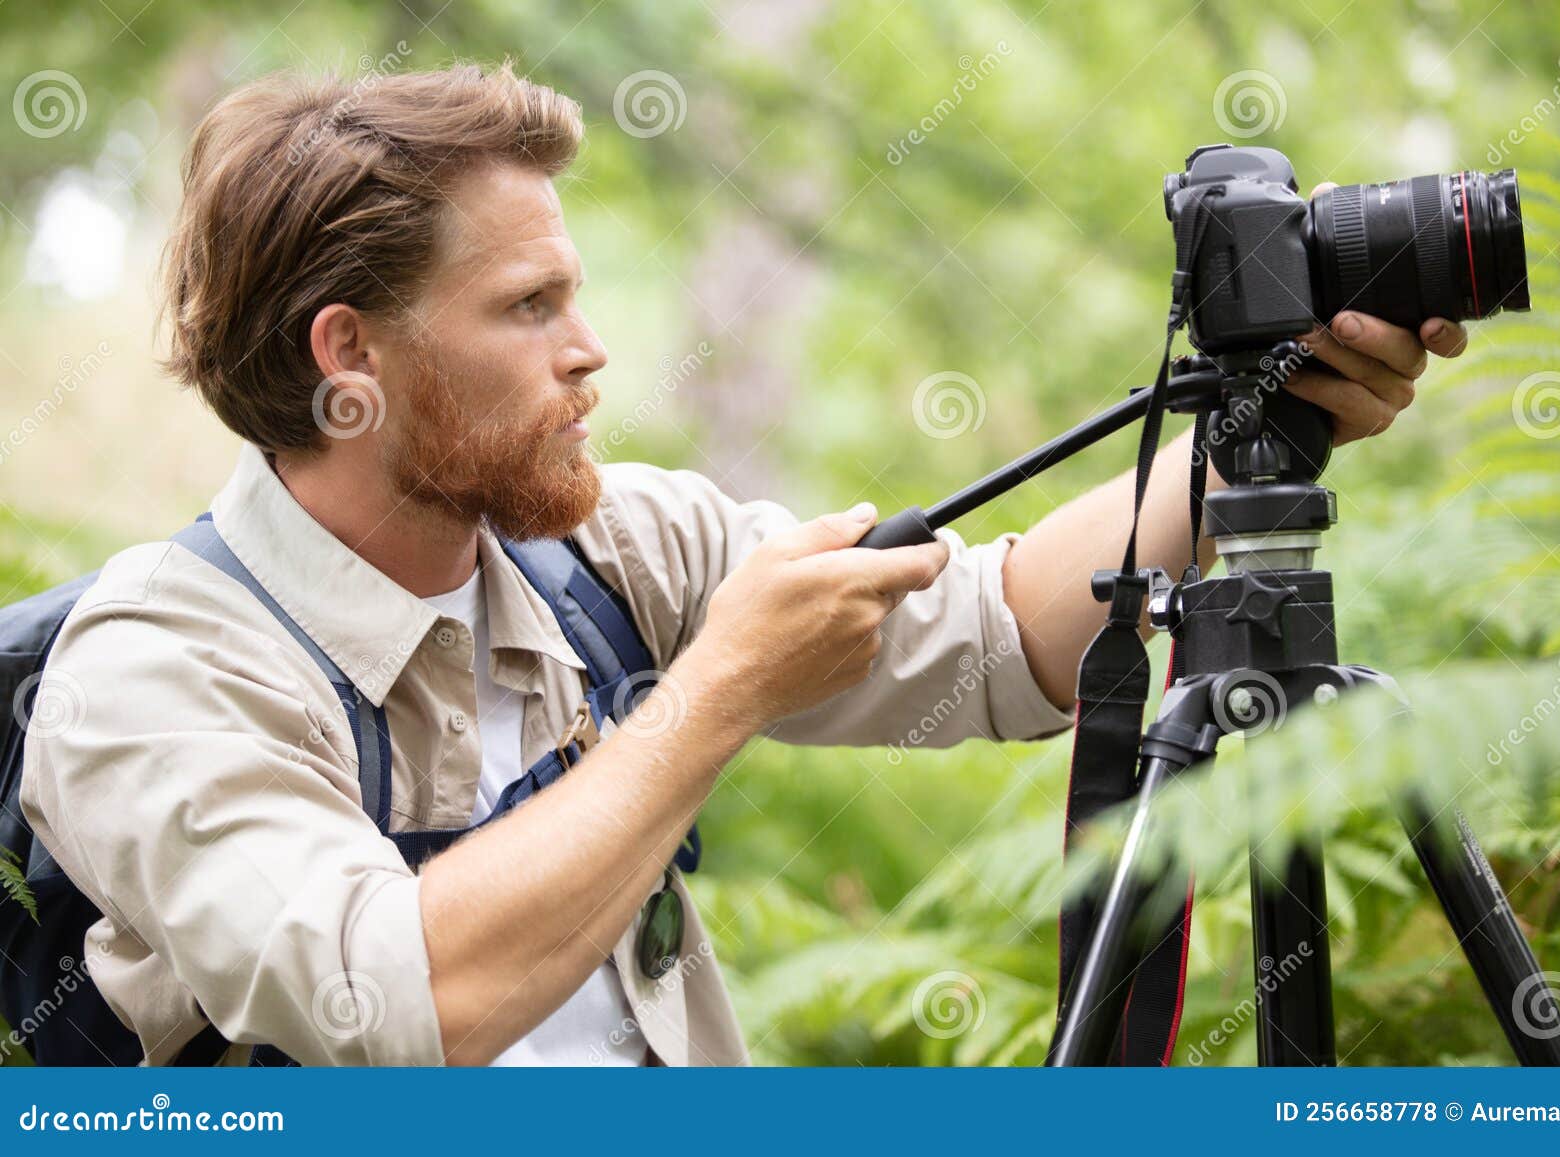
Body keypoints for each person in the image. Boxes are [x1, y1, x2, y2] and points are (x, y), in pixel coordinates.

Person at [19, 63, 1467, 1066]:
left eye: (576, 292)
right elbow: (401, 996)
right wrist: (714, 694)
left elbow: (996, 629)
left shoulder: (606, 544)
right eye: (528, 307)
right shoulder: (154, 668)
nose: (590, 350)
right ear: (352, 355)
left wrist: (1246, 434)